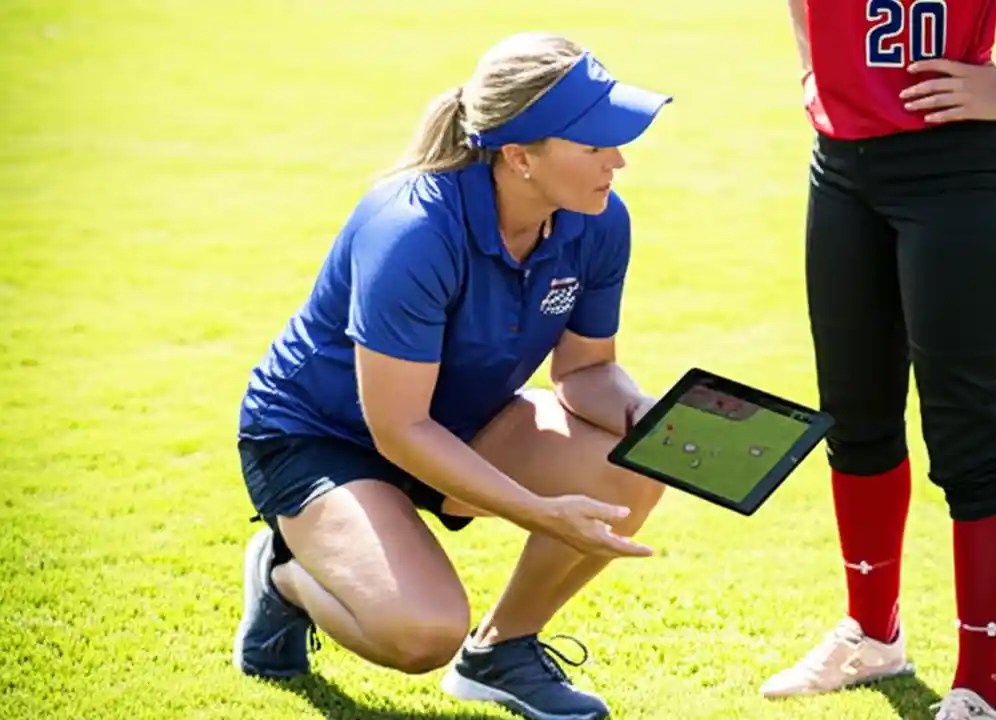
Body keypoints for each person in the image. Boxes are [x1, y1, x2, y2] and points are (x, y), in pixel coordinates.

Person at [231, 32, 672, 720]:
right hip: (321, 437)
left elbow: (586, 371)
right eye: (593, 146)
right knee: (421, 633)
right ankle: (284, 575)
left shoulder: (598, 219)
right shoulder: (411, 228)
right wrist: (539, 512)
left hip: (458, 422)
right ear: (520, 156)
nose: (617, 160)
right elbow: (397, 426)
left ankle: (501, 651)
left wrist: (652, 418)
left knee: (639, 462)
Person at [760, 2, 996, 719]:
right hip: (840, 168)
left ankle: (981, 687)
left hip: (959, 171)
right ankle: (873, 636)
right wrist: (812, 64)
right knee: (855, 419)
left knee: (969, 437)